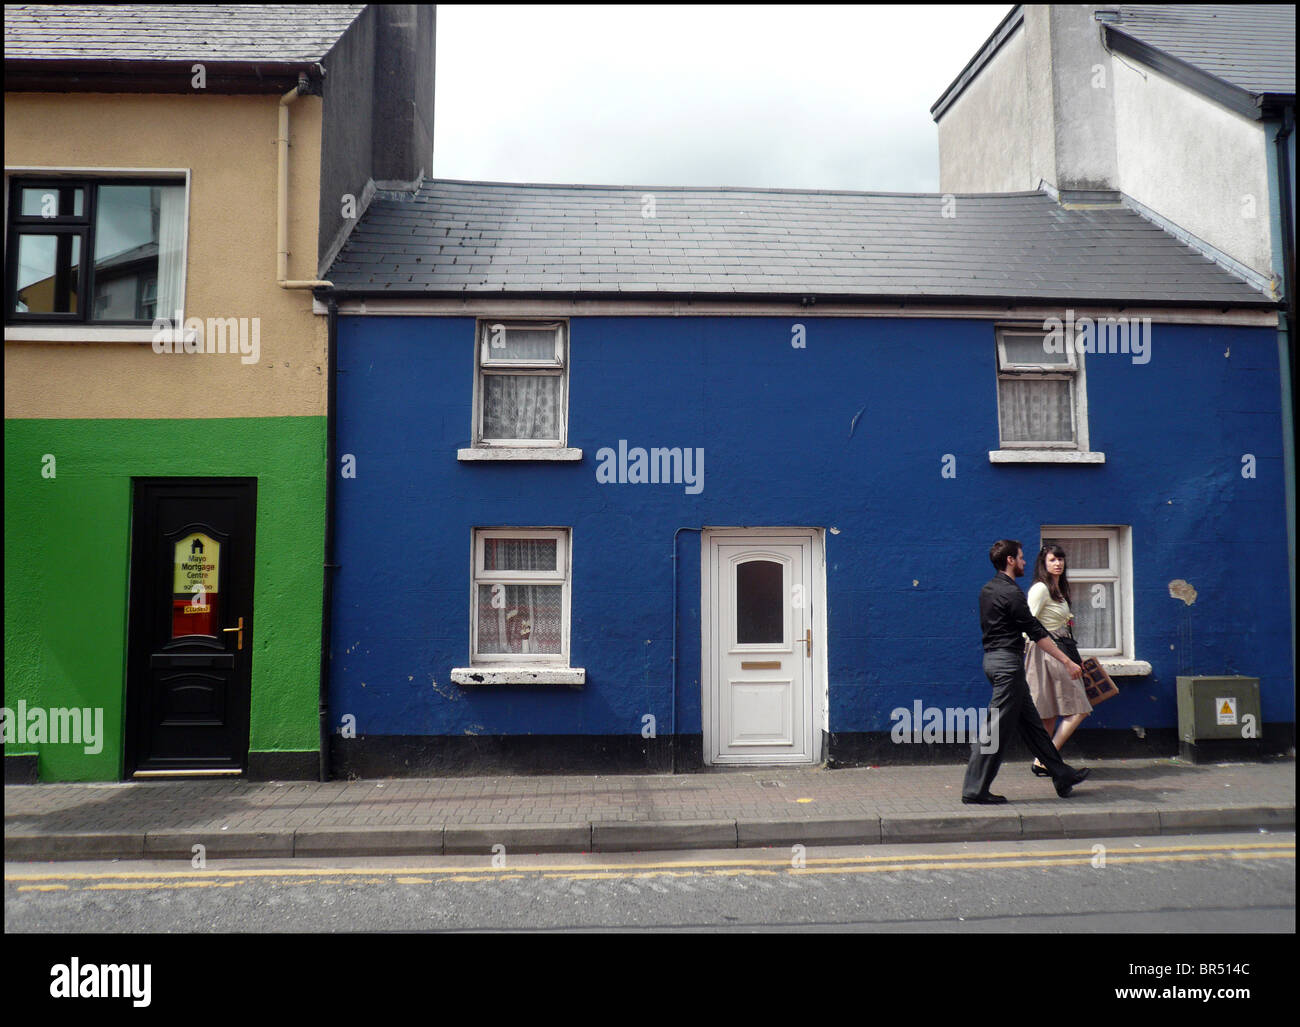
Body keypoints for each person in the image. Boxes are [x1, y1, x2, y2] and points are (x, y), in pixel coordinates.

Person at [961, 539, 1091, 804]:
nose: (1023, 562)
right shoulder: (1012, 593)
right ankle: (974, 789)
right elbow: (1036, 632)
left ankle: (1060, 773)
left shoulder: (987, 590)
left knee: (1032, 726)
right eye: (1020, 558)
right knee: (994, 729)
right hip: (1008, 666)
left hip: (995, 661)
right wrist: (1066, 662)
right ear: (1009, 560)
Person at [1025, 544, 1091, 777]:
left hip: (1060, 650)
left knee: (1050, 713)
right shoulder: (1040, 589)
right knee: (1079, 707)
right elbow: (1027, 622)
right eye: (1053, 560)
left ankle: (1042, 761)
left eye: (1061, 559)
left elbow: (1064, 628)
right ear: (1043, 563)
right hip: (1047, 653)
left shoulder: (1058, 589)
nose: (1058, 564)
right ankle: (1048, 759)